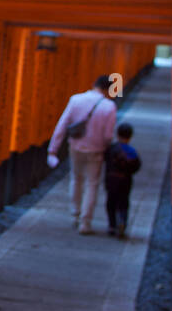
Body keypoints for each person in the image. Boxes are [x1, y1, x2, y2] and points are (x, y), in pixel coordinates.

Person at [47, 75, 117, 234]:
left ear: (94, 84)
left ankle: (75, 214)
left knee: (76, 179)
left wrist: (53, 150)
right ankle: (86, 222)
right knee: (92, 184)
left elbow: (62, 124)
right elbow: (108, 136)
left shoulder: (76, 100)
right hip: (96, 150)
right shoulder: (109, 107)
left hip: (76, 146)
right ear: (109, 90)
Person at [104, 122, 142, 239]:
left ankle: (112, 225)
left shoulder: (112, 148)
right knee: (124, 202)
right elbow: (137, 166)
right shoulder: (132, 151)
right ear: (130, 136)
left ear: (117, 134)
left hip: (111, 179)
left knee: (111, 202)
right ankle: (123, 221)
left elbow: (106, 160)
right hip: (125, 180)